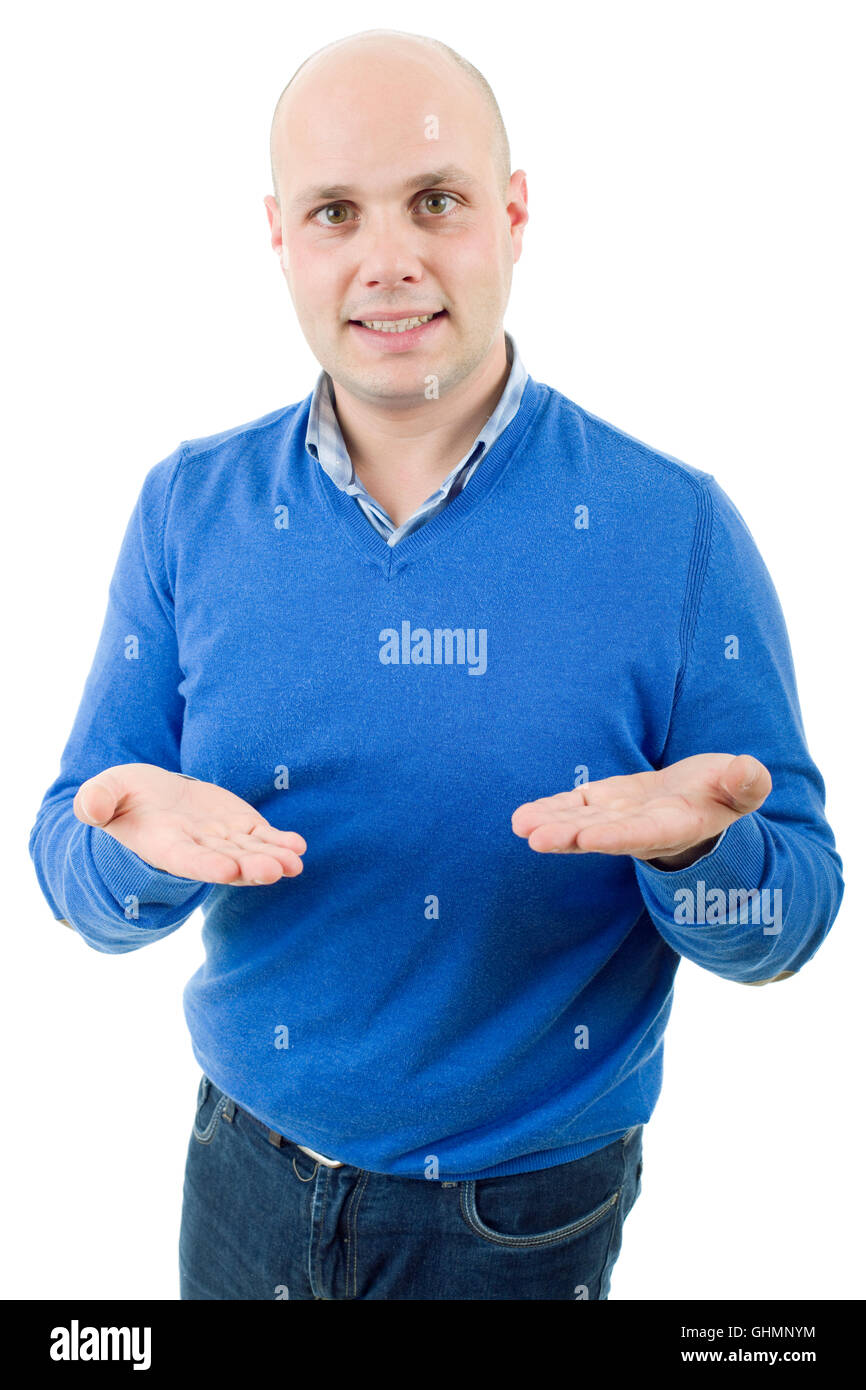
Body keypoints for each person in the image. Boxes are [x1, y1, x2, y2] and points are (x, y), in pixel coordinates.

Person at [28, 27, 844, 1302]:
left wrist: (699, 856)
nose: (386, 260)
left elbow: (786, 919)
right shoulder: (188, 507)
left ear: (513, 217)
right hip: (239, 1184)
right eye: (336, 212)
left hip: (519, 1227)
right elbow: (69, 866)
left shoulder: (672, 530)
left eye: (436, 201)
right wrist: (129, 855)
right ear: (280, 236)